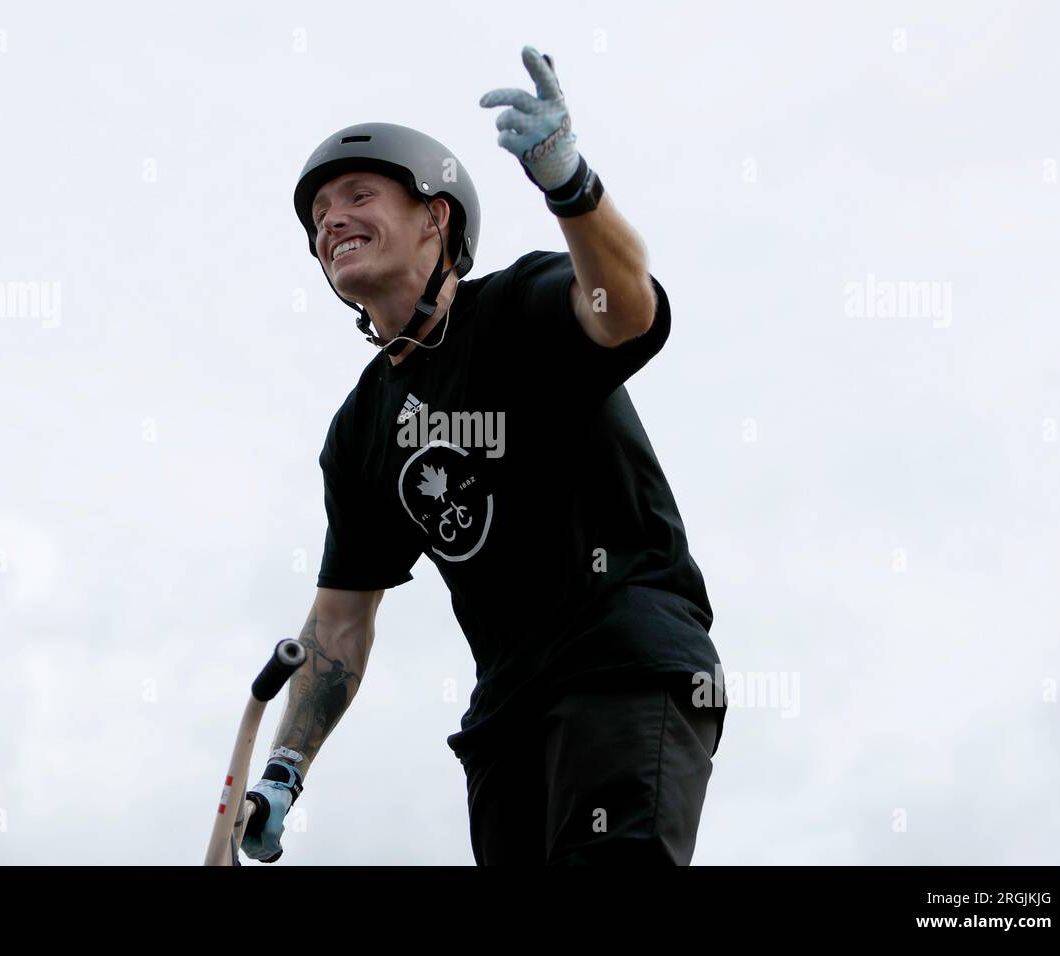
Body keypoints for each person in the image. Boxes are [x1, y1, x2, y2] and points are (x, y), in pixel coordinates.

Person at [239, 46, 727, 866]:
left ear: (437, 218)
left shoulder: (520, 305)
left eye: (360, 195)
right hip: (506, 714)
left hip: (623, 660)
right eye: (320, 213)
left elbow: (627, 313)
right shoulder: (361, 428)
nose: (332, 221)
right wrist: (284, 767)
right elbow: (339, 621)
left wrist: (571, 186)